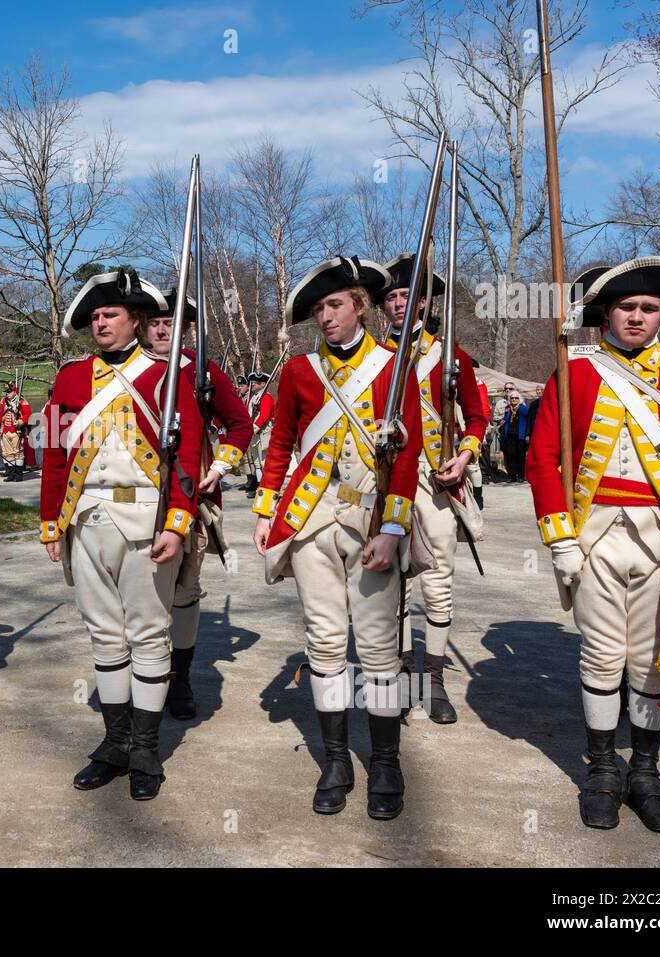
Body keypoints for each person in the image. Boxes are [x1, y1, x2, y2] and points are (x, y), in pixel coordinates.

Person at [527, 255, 660, 833]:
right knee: (600, 655)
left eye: (648, 308)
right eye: (626, 307)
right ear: (606, 314)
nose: (637, 317)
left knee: (649, 661)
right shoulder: (574, 373)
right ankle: (600, 771)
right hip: (592, 536)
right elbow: (544, 460)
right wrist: (560, 539)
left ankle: (644, 773)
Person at [251, 256, 422, 820]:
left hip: (373, 521)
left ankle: (387, 762)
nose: (325, 316)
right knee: (324, 643)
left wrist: (395, 530)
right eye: (318, 309)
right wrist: (264, 508)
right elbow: (281, 446)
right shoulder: (301, 372)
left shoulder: (394, 367)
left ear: (361, 306)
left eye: (335, 305)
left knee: (377, 650)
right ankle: (335, 761)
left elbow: (408, 456)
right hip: (312, 520)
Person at [40, 268, 202, 800]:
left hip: (148, 520)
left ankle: (146, 752)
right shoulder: (67, 379)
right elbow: (54, 454)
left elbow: (189, 458)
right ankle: (115, 742)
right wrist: (49, 522)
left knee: (149, 635)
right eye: (95, 316)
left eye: (110, 314)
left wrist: (178, 524)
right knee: (104, 634)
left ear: (136, 321)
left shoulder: (166, 376)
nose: (100, 323)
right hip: (85, 520)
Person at [377, 253, 487, 724]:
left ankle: (434, 680)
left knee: (438, 582)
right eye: (391, 298)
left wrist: (463, 456)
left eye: (407, 296)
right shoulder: (372, 358)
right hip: (386, 480)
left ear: (422, 302)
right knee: (394, 581)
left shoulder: (449, 354)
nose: (399, 304)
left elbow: (477, 417)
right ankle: (402, 675)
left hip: (434, 478)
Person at [139, 288, 252, 719]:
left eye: (171, 322)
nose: (162, 329)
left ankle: (179, 678)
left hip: (190, 499)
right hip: (135, 502)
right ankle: (141, 675)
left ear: (186, 328)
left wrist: (219, 468)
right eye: (154, 322)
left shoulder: (201, 370)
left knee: (183, 593)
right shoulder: (124, 373)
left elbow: (240, 424)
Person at [242, 373, 274, 495]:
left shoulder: (266, 397)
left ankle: (267, 488)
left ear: (262, 384)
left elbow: (264, 415)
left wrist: (252, 428)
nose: (252, 385)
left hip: (263, 433)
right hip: (254, 433)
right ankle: (260, 487)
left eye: (255, 383)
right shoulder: (254, 397)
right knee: (256, 462)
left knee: (264, 461)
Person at [0, 381, 32, 481]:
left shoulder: (22, 401)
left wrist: (20, 421)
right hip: (5, 431)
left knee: (18, 452)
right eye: (6, 392)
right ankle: (11, 474)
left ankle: (19, 474)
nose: (7, 394)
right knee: (8, 453)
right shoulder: (3, 401)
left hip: (17, 431)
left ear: (15, 392)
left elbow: (28, 415)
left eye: (9, 392)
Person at [499, 387, 529, 481]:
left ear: (519, 399)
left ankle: (521, 476)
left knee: (520, 456)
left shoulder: (524, 409)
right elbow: (505, 420)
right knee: (510, 455)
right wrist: (502, 423)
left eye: (516, 398)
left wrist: (528, 435)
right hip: (509, 436)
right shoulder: (508, 409)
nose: (514, 400)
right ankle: (512, 476)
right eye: (512, 398)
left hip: (520, 436)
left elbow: (529, 422)